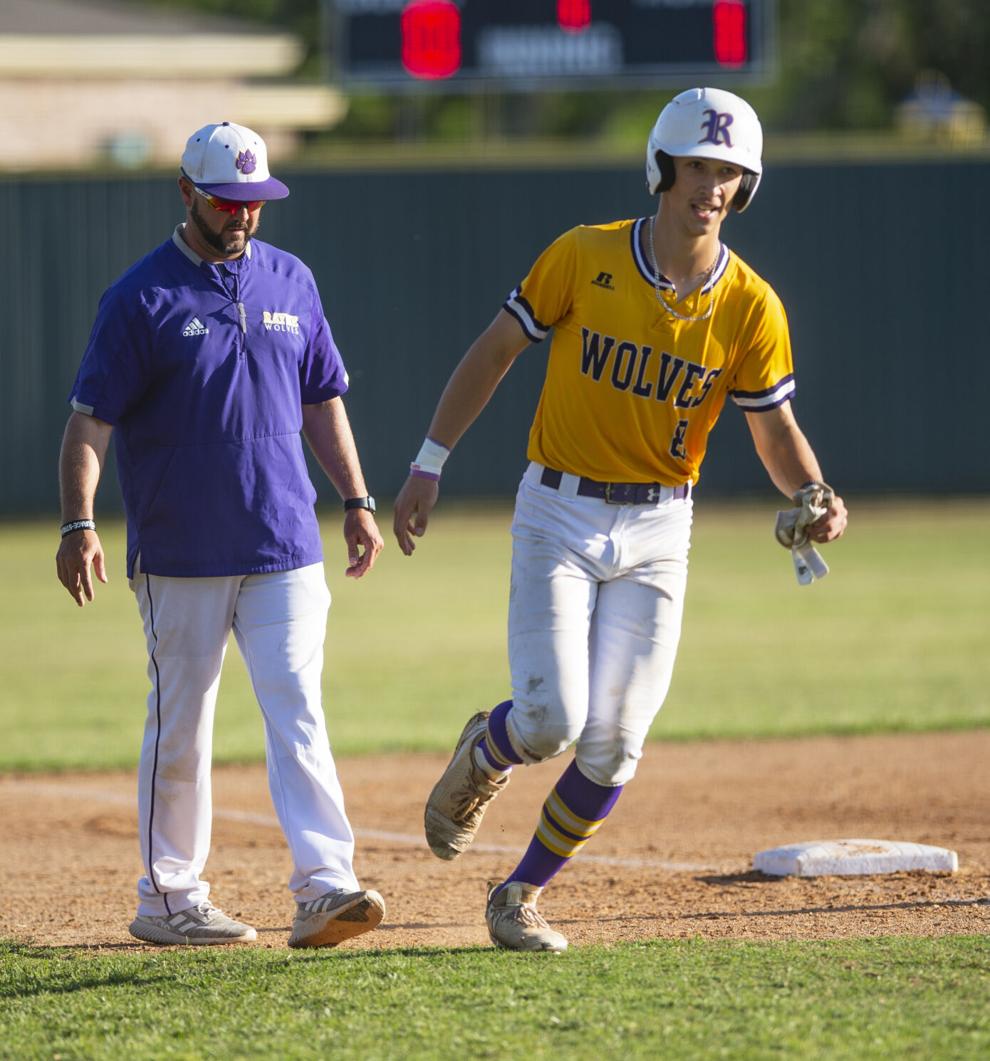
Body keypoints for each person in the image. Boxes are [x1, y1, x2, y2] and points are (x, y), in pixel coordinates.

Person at [393, 88, 848, 952]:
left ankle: (520, 893)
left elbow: (773, 426)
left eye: (729, 172)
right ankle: (487, 750)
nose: (712, 186)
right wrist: (428, 461)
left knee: (615, 744)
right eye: (698, 166)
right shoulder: (585, 254)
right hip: (558, 509)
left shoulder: (751, 304)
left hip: (659, 529)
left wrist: (813, 491)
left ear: (746, 186)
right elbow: (495, 350)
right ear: (662, 169)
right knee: (550, 719)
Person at [56, 121, 386, 949]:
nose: (242, 214)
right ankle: (169, 896)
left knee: (298, 706)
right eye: (225, 200)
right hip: (182, 550)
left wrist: (355, 498)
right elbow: (89, 422)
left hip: (285, 540)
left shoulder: (291, 280)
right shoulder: (140, 297)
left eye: (253, 200)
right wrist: (79, 521)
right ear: (187, 192)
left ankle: (325, 886)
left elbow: (322, 399)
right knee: (183, 722)